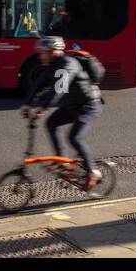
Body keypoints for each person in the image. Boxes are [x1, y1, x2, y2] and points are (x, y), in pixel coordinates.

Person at [22, 36, 103, 189]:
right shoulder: (52, 65)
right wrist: (27, 103)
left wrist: (43, 107)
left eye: (42, 52)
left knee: (74, 138)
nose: (40, 55)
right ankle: (62, 160)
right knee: (51, 123)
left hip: (88, 105)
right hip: (72, 104)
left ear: (53, 51)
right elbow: (39, 83)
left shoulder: (67, 64)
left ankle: (93, 171)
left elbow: (59, 89)